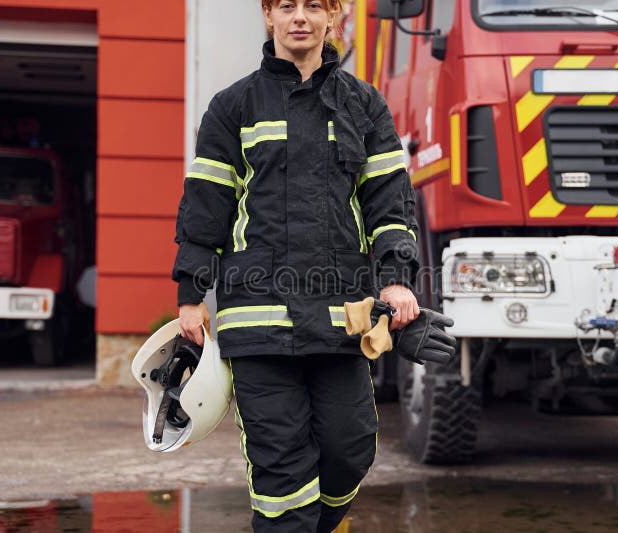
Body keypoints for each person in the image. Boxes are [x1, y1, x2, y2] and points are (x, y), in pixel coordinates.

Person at [172, 0, 420, 531]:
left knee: (349, 449)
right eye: (287, 6)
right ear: (269, 15)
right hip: (257, 325)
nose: (300, 17)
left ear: (335, 18)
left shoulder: (364, 106)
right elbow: (205, 207)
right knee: (281, 470)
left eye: (314, 6)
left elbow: (389, 204)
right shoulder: (232, 106)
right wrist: (192, 296)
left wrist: (397, 281)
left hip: (341, 320)